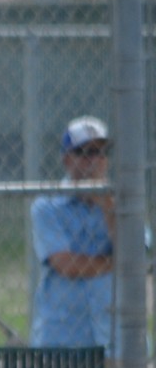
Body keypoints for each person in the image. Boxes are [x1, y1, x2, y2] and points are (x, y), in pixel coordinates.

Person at [30, 116, 115, 353]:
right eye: (84, 152)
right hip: (62, 338)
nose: (93, 160)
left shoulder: (123, 204)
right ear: (67, 159)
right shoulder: (47, 206)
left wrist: (107, 205)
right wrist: (116, 263)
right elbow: (67, 265)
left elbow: (136, 254)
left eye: (100, 152)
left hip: (114, 338)